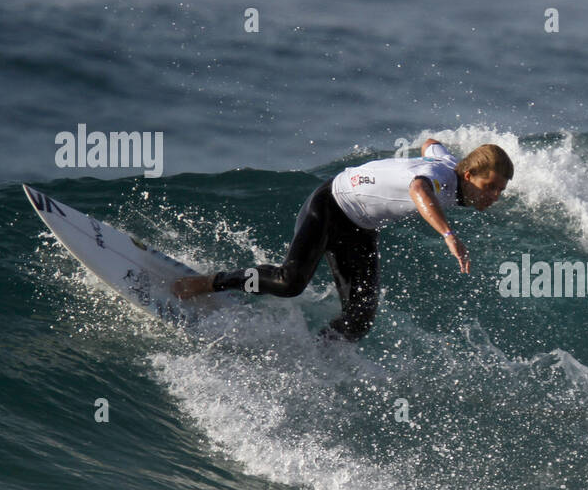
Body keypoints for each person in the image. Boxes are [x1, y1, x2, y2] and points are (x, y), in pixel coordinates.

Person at [172, 138, 512, 341]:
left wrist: (423, 152)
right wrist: (448, 234)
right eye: (490, 187)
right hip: (331, 204)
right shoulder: (441, 177)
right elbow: (418, 188)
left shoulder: (448, 164)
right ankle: (205, 283)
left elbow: (430, 144)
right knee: (289, 282)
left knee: (359, 319)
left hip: (360, 228)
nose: (494, 196)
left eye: (501, 190)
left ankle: (318, 353)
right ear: (468, 176)